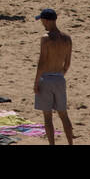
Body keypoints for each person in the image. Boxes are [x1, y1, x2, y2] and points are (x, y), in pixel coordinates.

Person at [34, 8, 74, 146]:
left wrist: (36, 82)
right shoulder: (67, 38)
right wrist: (60, 75)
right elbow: (67, 64)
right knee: (64, 115)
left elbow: (42, 62)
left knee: (47, 117)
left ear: (46, 20)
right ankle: (70, 143)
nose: (42, 24)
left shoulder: (45, 38)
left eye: (42, 21)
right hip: (59, 78)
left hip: (46, 78)